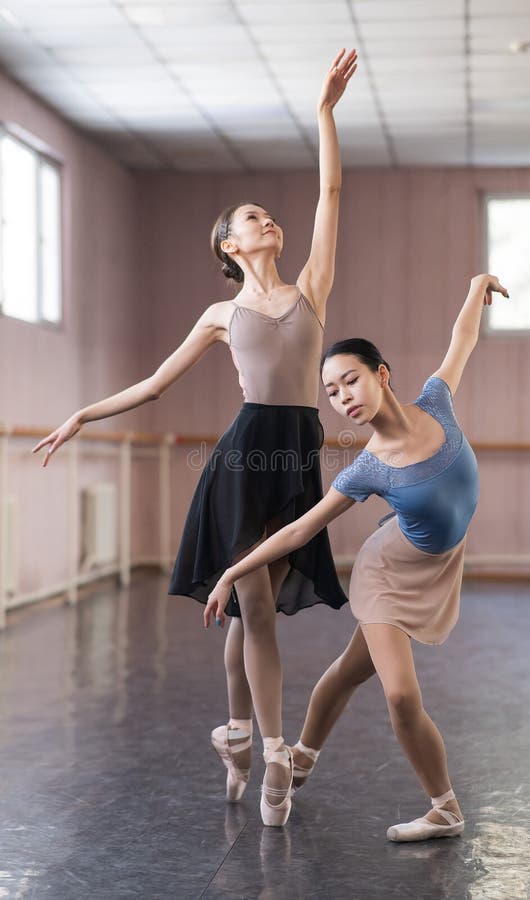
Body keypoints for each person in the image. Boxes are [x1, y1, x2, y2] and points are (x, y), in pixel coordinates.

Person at [32, 49, 358, 829]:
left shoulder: (311, 285)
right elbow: (153, 384)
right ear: (227, 247)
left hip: (294, 459)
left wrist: (323, 113)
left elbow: (331, 190)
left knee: (253, 615)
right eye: (250, 218)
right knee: (253, 600)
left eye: (266, 214)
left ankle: (238, 732)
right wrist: (82, 414)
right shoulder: (220, 316)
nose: (266, 219)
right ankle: (275, 755)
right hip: (243, 462)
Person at [206, 273, 509, 838]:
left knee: (349, 671)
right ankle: (446, 808)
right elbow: (298, 530)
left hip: (438, 565)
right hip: (387, 573)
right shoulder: (367, 467)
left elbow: (460, 340)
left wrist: (474, 288)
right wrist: (233, 571)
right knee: (399, 692)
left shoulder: (437, 403)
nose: (344, 398)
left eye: (351, 382)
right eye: (333, 392)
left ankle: (299, 758)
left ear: (382, 376)